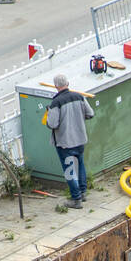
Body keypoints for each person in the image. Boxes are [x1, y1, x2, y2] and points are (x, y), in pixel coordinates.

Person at [45, 73, 94, 208]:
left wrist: (49, 113)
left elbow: (52, 124)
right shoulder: (79, 96)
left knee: (70, 170)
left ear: (56, 86)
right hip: (80, 139)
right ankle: (83, 193)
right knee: (80, 165)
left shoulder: (56, 102)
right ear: (68, 83)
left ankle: (76, 199)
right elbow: (90, 113)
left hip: (65, 142)